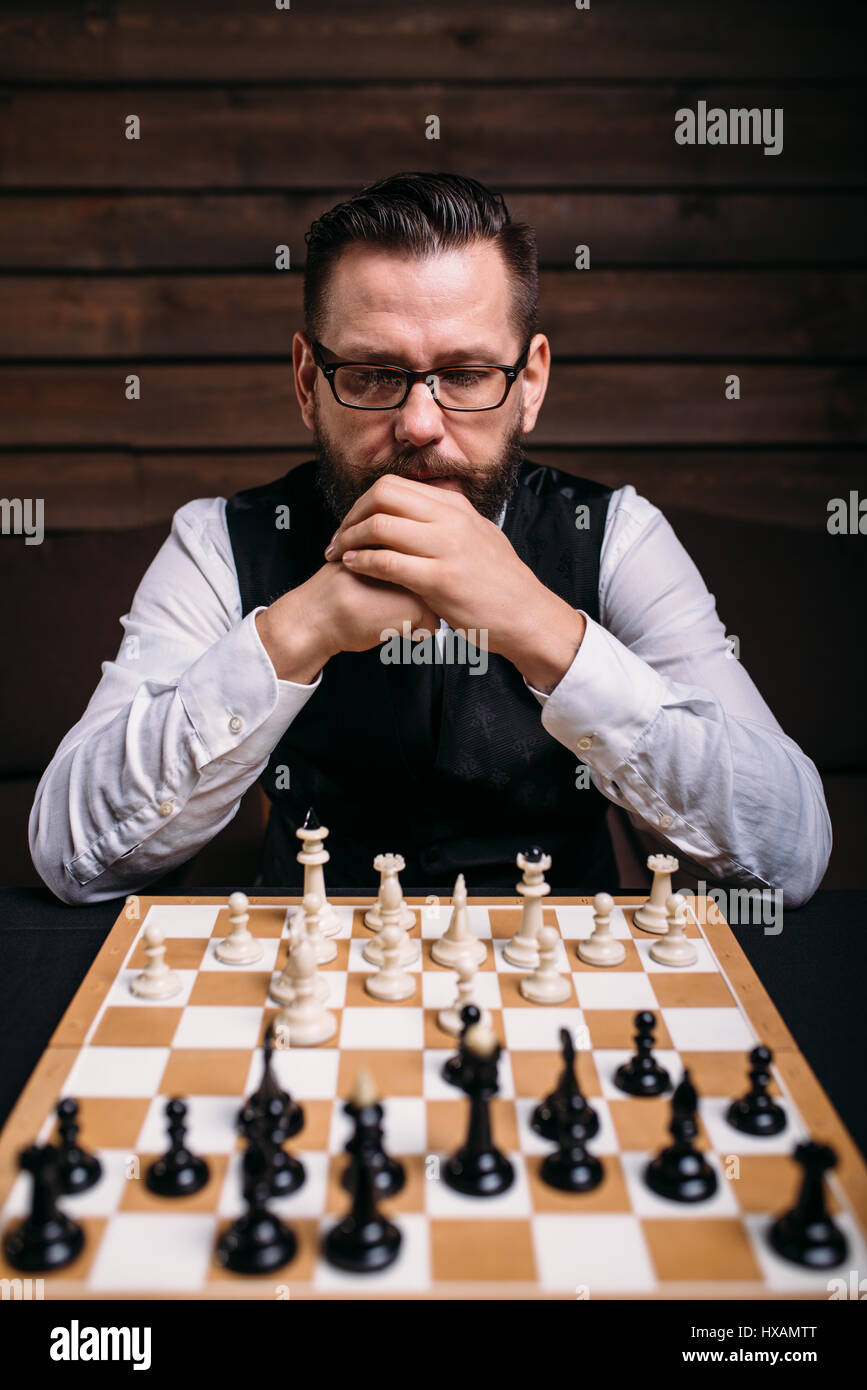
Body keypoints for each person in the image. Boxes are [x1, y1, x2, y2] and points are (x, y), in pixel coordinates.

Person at [30, 172, 831, 905]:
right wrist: (297, 632)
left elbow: (788, 857)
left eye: (466, 375)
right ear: (309, 383)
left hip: (569, 989)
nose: (419, 424)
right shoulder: (218, 542)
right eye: (375, 375)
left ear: (530, 385)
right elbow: (71, 860)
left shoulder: (616, 534)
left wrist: (541, 629)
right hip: (304, 981)